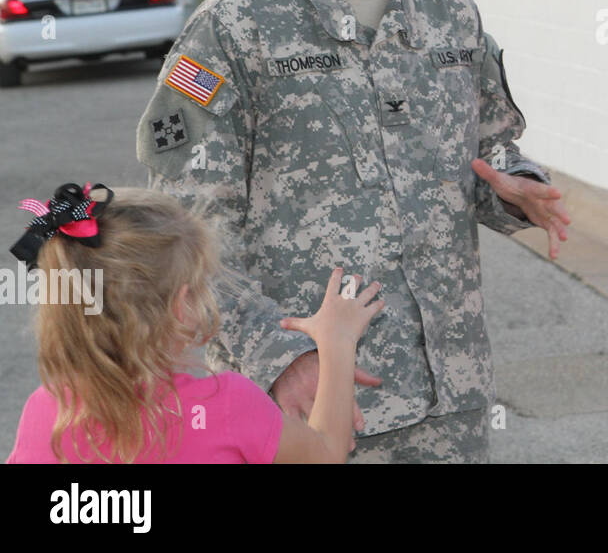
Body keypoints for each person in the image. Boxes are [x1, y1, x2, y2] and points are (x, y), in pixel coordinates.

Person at [135, 0, 570, 464]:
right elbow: (188, 232)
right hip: (319, 413)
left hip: (454, 404)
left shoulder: (447, 7)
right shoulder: (234, 29)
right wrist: (277, 359)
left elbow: (493, 147)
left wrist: (518, 188)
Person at [6, 183, 382, 463]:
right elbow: (325, 452)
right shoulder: (228, 404)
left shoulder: (49, 410)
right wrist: (337, 341)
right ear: (182, 304)